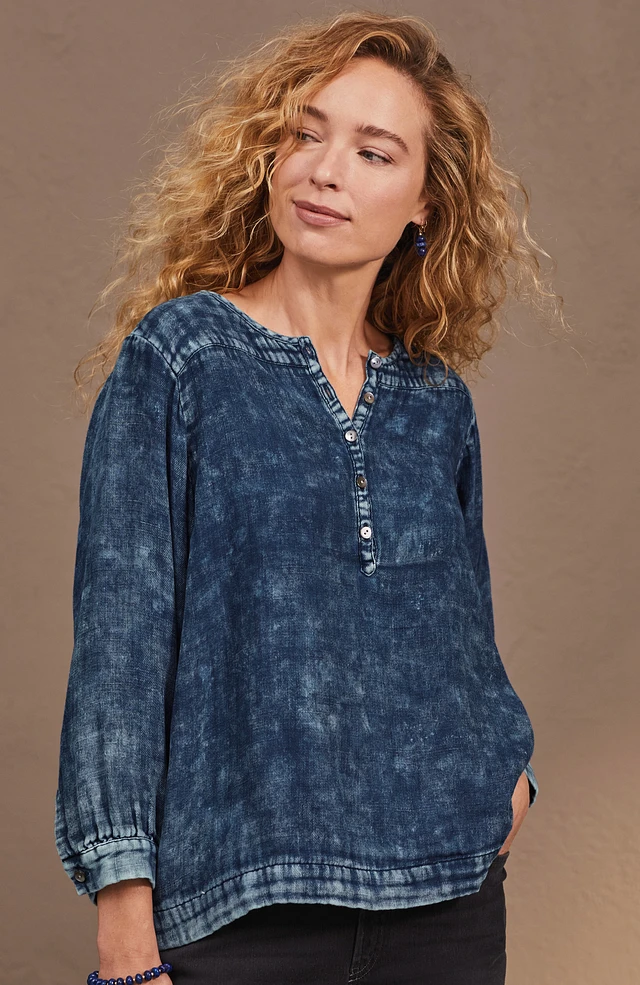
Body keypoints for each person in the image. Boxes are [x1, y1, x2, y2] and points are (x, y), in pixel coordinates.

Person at [55, 11, 566, 985]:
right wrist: (124, 928)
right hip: (241, 920)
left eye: (374, 152)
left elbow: (463, 642)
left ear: (425, 203)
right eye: (305, 133)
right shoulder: (181, 359)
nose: (326, 170)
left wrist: (512, 778)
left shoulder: (434, 402)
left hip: (448, 911)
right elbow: (119, 654)